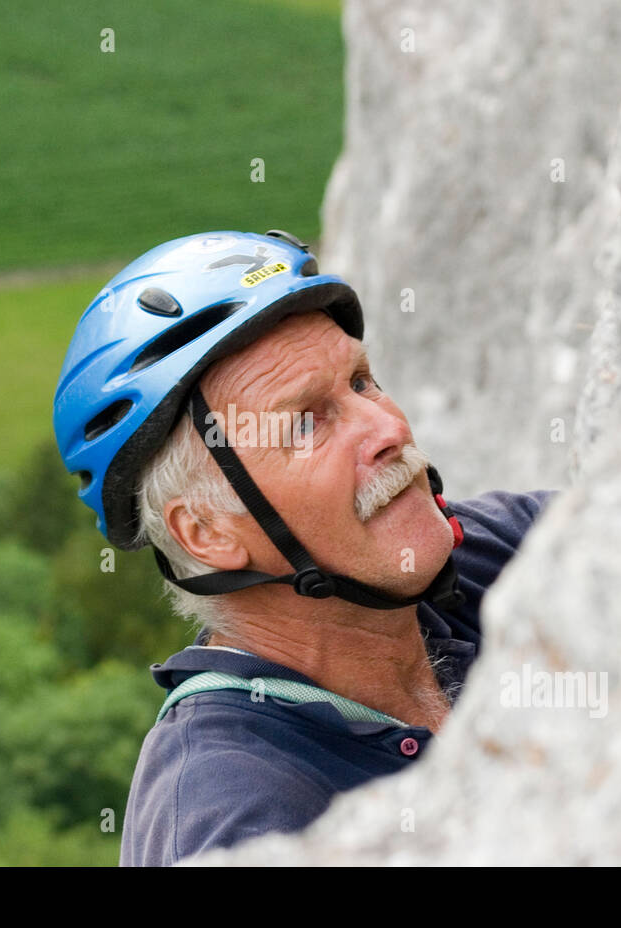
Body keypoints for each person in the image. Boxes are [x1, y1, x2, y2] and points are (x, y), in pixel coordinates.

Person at [52, 229, 557, 866]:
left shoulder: (483, 563)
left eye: (363, 382)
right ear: (206, 532)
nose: (389, 428)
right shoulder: (236, 819)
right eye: (305, 422)